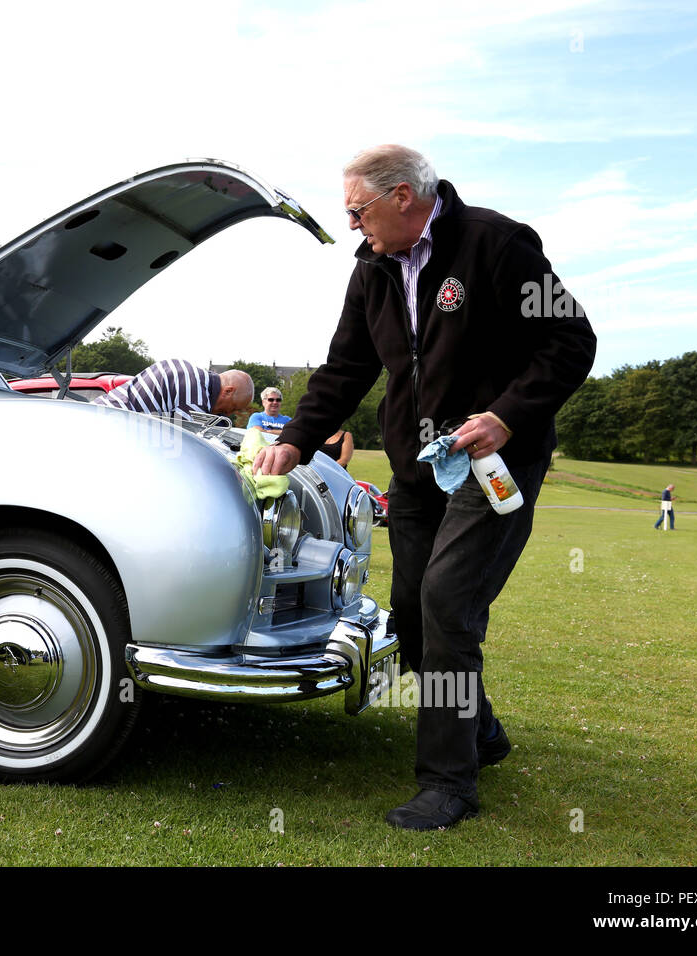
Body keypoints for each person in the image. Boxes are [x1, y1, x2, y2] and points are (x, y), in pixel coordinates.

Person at [253, 145, 597, 830]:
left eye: (357, 209)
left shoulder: (497, 244)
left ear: (403, 196)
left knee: (447, 600)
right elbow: (345, 368)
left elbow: (572, 340)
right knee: (409, 617)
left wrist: (505, 416)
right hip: (416, 472)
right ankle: (481, 733)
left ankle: (448, 782)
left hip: (496, 462)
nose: (351, 224)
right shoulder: (372, 271)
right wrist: (293, 438)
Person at [93, 359, 253, 420]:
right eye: (232, 408)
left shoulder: (190, 372)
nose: (227, 413)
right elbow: (180, 445)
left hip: (99, 410)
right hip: (111, 422)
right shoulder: (196, 396)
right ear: (228, 391)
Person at [251, 387, 355, 467]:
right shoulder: (257, 416)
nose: (275, 402)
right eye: (271, 399)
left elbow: (297, 434)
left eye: (278, 400)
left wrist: (267, 431)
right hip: (261, 458)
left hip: (283, 460)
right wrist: (285, 433)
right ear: (263, 401)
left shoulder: (287, 420)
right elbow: (257, 431)